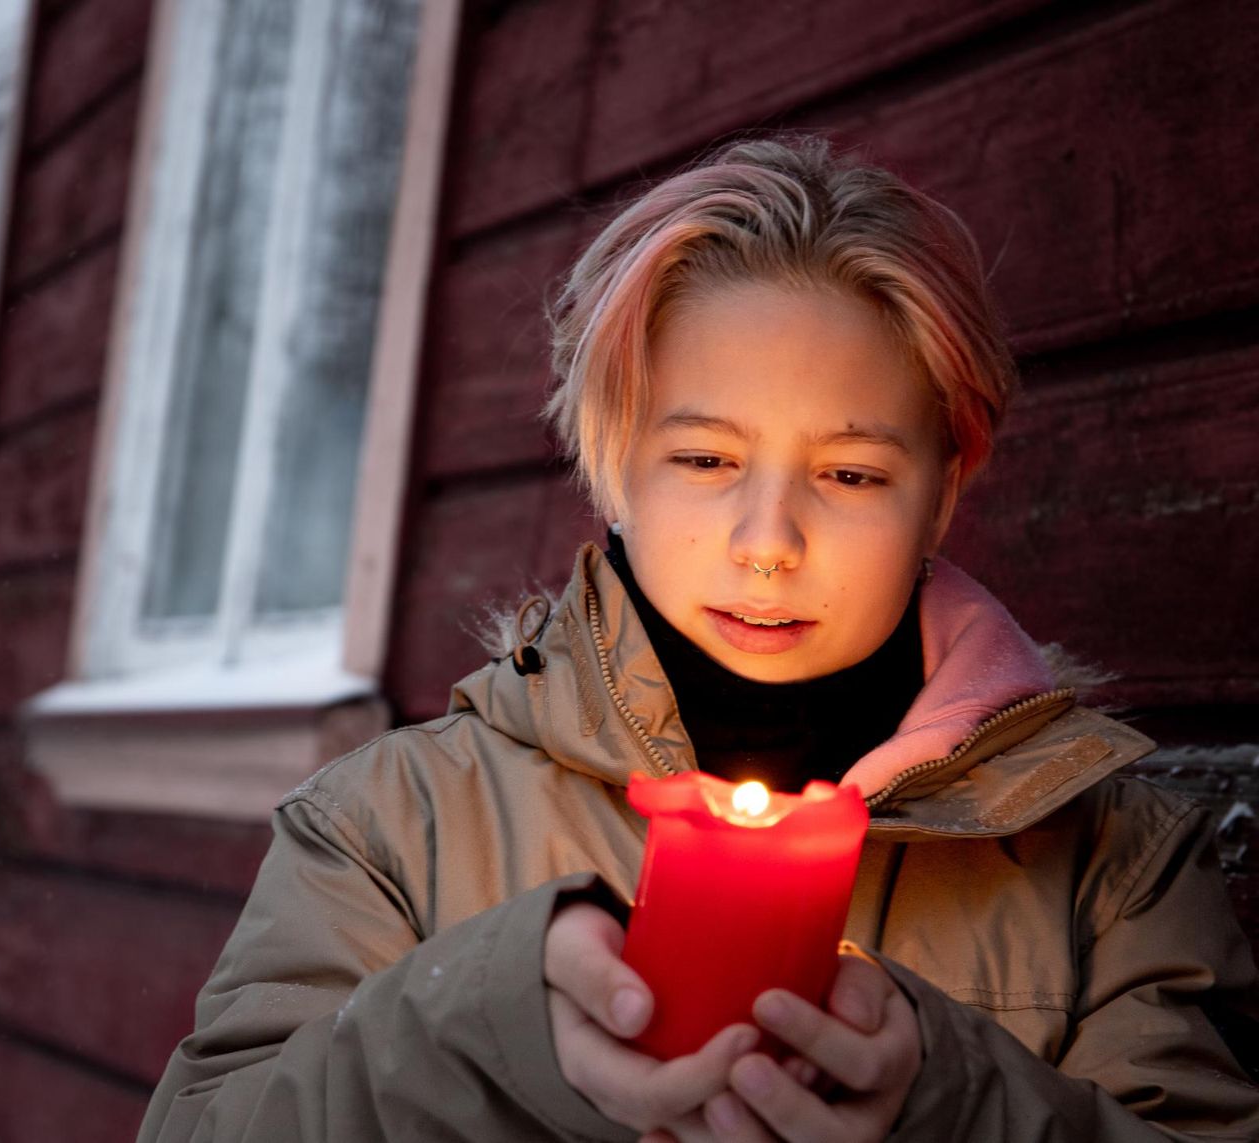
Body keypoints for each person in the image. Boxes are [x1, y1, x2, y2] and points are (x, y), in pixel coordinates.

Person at [136, 135, 1259, 1142]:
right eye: (707, 459)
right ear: (617, 461)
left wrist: (951, 1101)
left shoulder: (1109, 858)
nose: (769, 542)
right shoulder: (392, 826)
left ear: (945, 488)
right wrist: (480, 1032)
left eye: (852, 474)